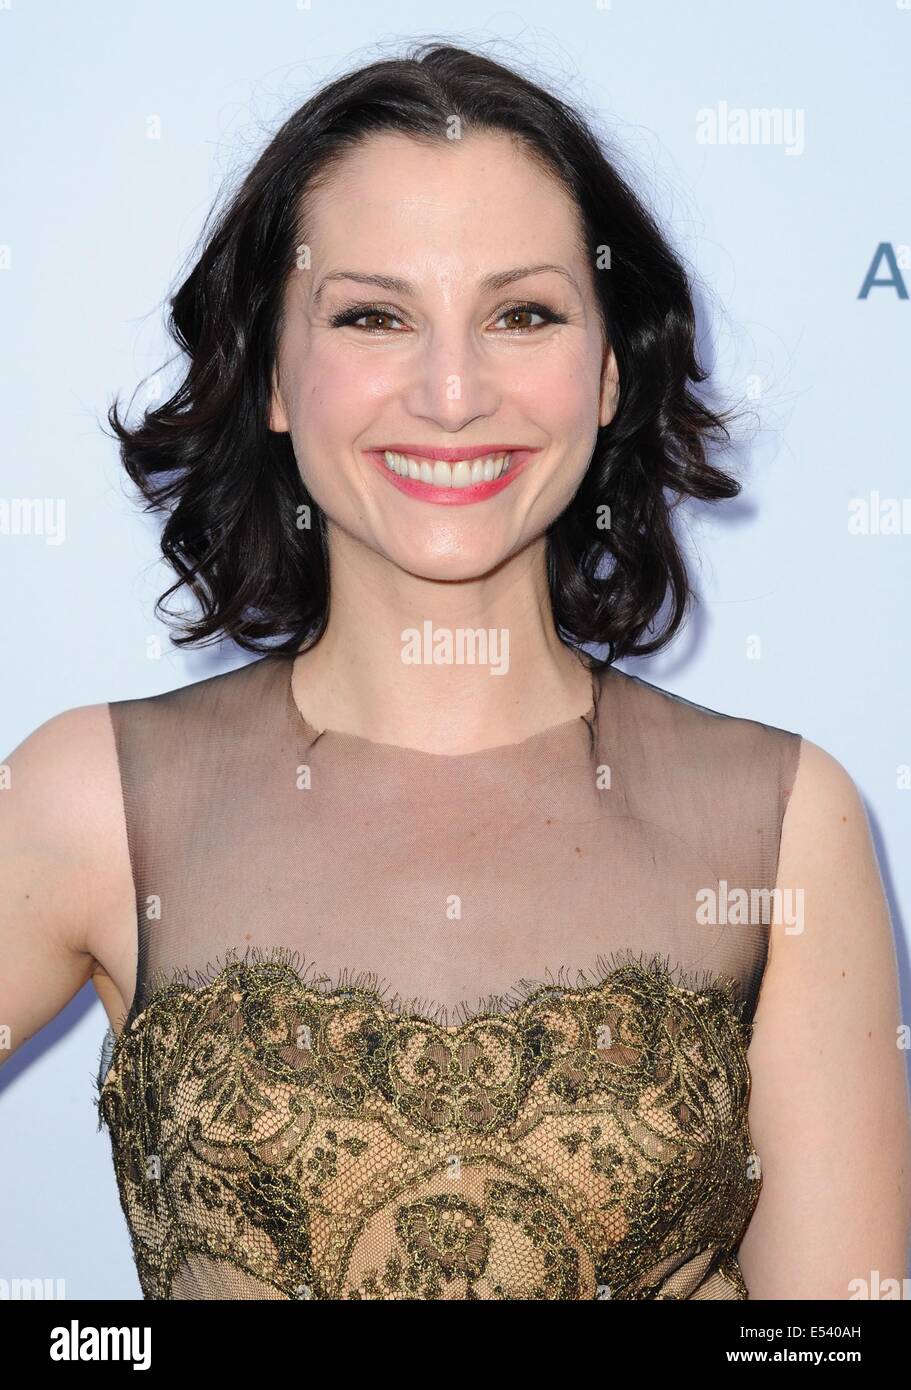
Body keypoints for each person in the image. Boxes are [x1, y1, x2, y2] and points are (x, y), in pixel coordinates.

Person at [2, 42, 908, 1301]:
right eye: (373, 316)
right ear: (273, 370)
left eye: (520, 314)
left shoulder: (777, 822)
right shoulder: (90, 800)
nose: (449, 391)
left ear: (604, 371)